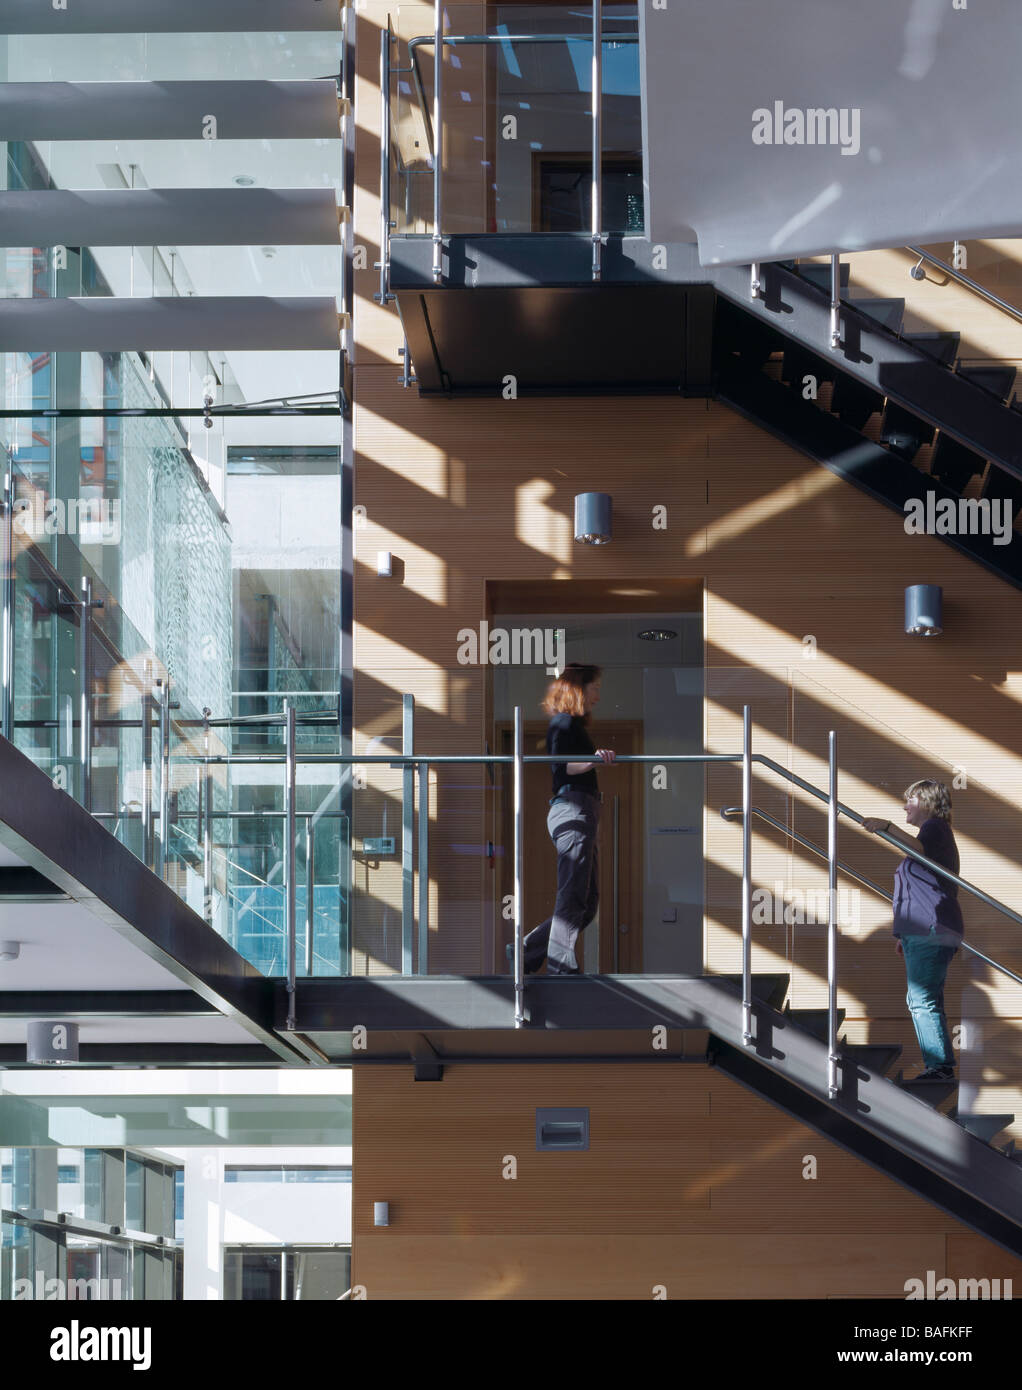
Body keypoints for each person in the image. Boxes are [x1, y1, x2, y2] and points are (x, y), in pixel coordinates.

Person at [862, 779, 964, 1081]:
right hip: (922, 931)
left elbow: (917, 850)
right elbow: (924, 886)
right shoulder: (935, 833)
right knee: (923, 997)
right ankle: (939, 1064)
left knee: (921, 999)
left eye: (911, 799)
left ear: (928, 802)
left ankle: (940, 1067)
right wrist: (904, 934)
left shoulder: (935, 828)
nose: (905, 805)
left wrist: (887, 827)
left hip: (930, 929)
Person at [522, 663, 615, 975]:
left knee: (587, 903)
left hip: (582, 810)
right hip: (573, 808)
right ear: (580, 688)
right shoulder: (563, 723)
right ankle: (561, 966)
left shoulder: (572, 725)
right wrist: (592, 761)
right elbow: (561, 767)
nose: (598, 697)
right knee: (574, 893)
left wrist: (591, 761)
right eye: (595, 689)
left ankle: (527, 951)